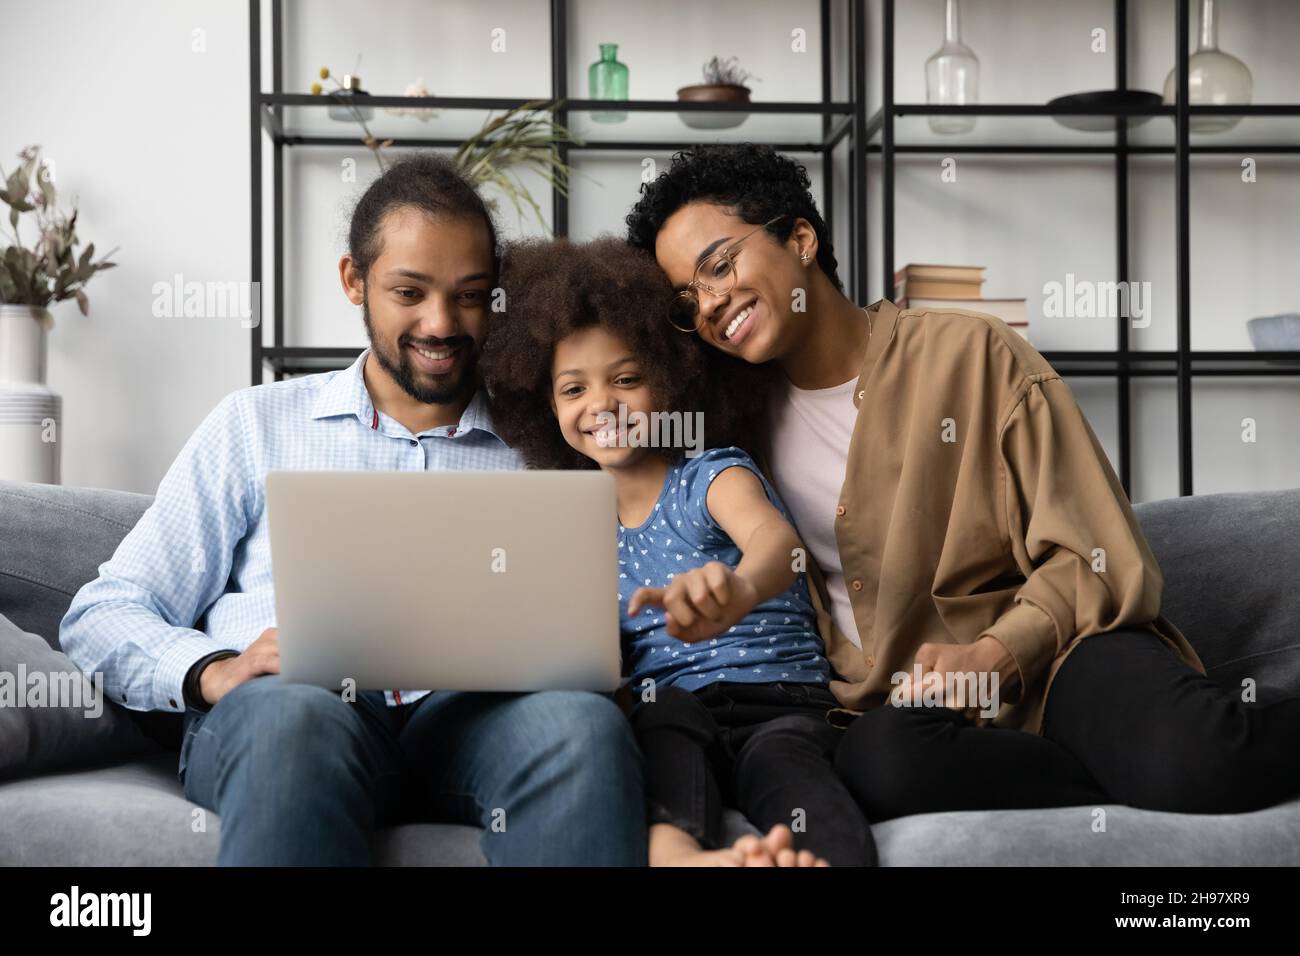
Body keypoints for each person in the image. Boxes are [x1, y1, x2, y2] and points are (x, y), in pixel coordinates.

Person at [624, 142, 1300, 822]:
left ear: (800, 238)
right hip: (913, 713)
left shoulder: (974, 354)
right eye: (688, 297)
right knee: (881, 767)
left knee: (1200, 765)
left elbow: (1100, 555)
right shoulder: (734, 432)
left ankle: (1157, 761)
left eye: (719, 264)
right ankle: (1123, 774)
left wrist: (997, 652)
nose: (709, 303)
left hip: (1061, 663)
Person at [60, 154, 647, 866]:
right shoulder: (256, 424)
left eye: (468, 295)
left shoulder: (551, 438)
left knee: (581, 727)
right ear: (354, 282)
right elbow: (104, 611)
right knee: (290, 718)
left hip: (479, 722)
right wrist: (211, 668)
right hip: (296, 712)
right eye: (409, 292)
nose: (441, 323)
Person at [481, 236, 875, 866]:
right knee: (657, 727)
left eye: (627, 379)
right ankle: (680, 858)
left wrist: (741, 587)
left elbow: (777, 543)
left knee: (792, 771)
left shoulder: (710, 474)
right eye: (572, 390)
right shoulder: (574, 527)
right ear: (544, 405)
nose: (601, 405)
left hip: (780, 701)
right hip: (669, 708)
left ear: (669, 377)